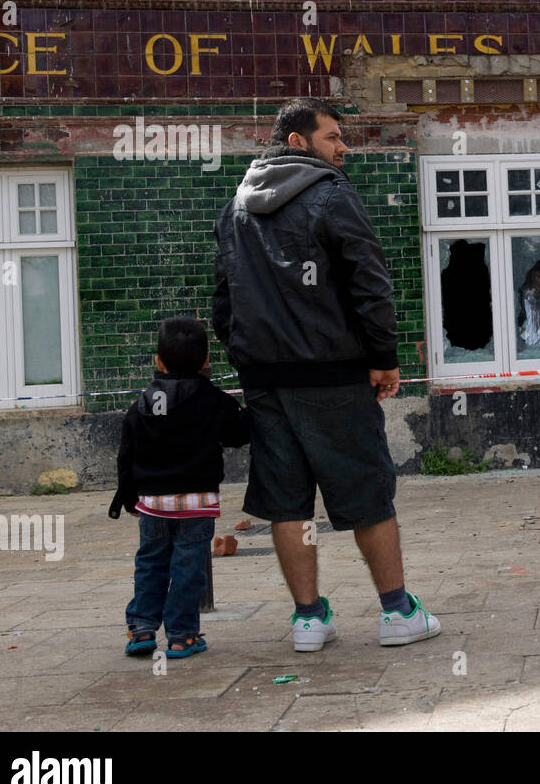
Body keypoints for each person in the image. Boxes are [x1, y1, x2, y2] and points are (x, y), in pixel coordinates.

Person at [213, 98, 440, 652]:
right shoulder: (333, 196)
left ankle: (309, 621)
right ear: (297, 142)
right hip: (333, 375)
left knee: (287, 501)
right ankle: (396, 612)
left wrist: (249, 361)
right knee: (367, 492)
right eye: (333, 137)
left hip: (265, 381)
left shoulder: (236, 210)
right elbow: (370, 282)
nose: (344, 147)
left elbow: (223, 301)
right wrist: (383, 357)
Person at [110, 317, 251, 659]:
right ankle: (181, 636)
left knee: (151, 564)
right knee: (188, 569)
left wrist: (126, 497)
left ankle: (141, 628)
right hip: (197, 505)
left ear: (158, 361)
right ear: (205, 361)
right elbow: (238, 434)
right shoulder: (213, 399)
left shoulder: (143, 403)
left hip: (154, 505)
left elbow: (127, 454)